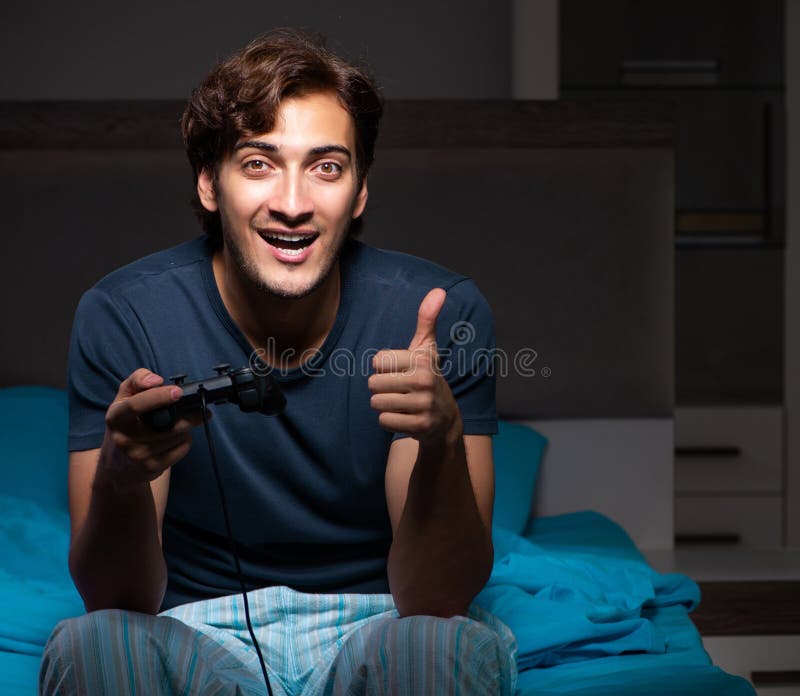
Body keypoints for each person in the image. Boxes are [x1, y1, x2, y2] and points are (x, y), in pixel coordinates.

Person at [40, 28, 516, 695]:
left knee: (436, 647)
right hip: (193, 630)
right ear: (210, 184)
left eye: (326, 167)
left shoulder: (437, 315)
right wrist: (119, 480)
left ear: (359, 193)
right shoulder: (125, 315)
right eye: (258, 163)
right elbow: (117, 601)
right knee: (90, 646)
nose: (292, 204)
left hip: (382, 623)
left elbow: (435, 598)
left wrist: (439, 442)